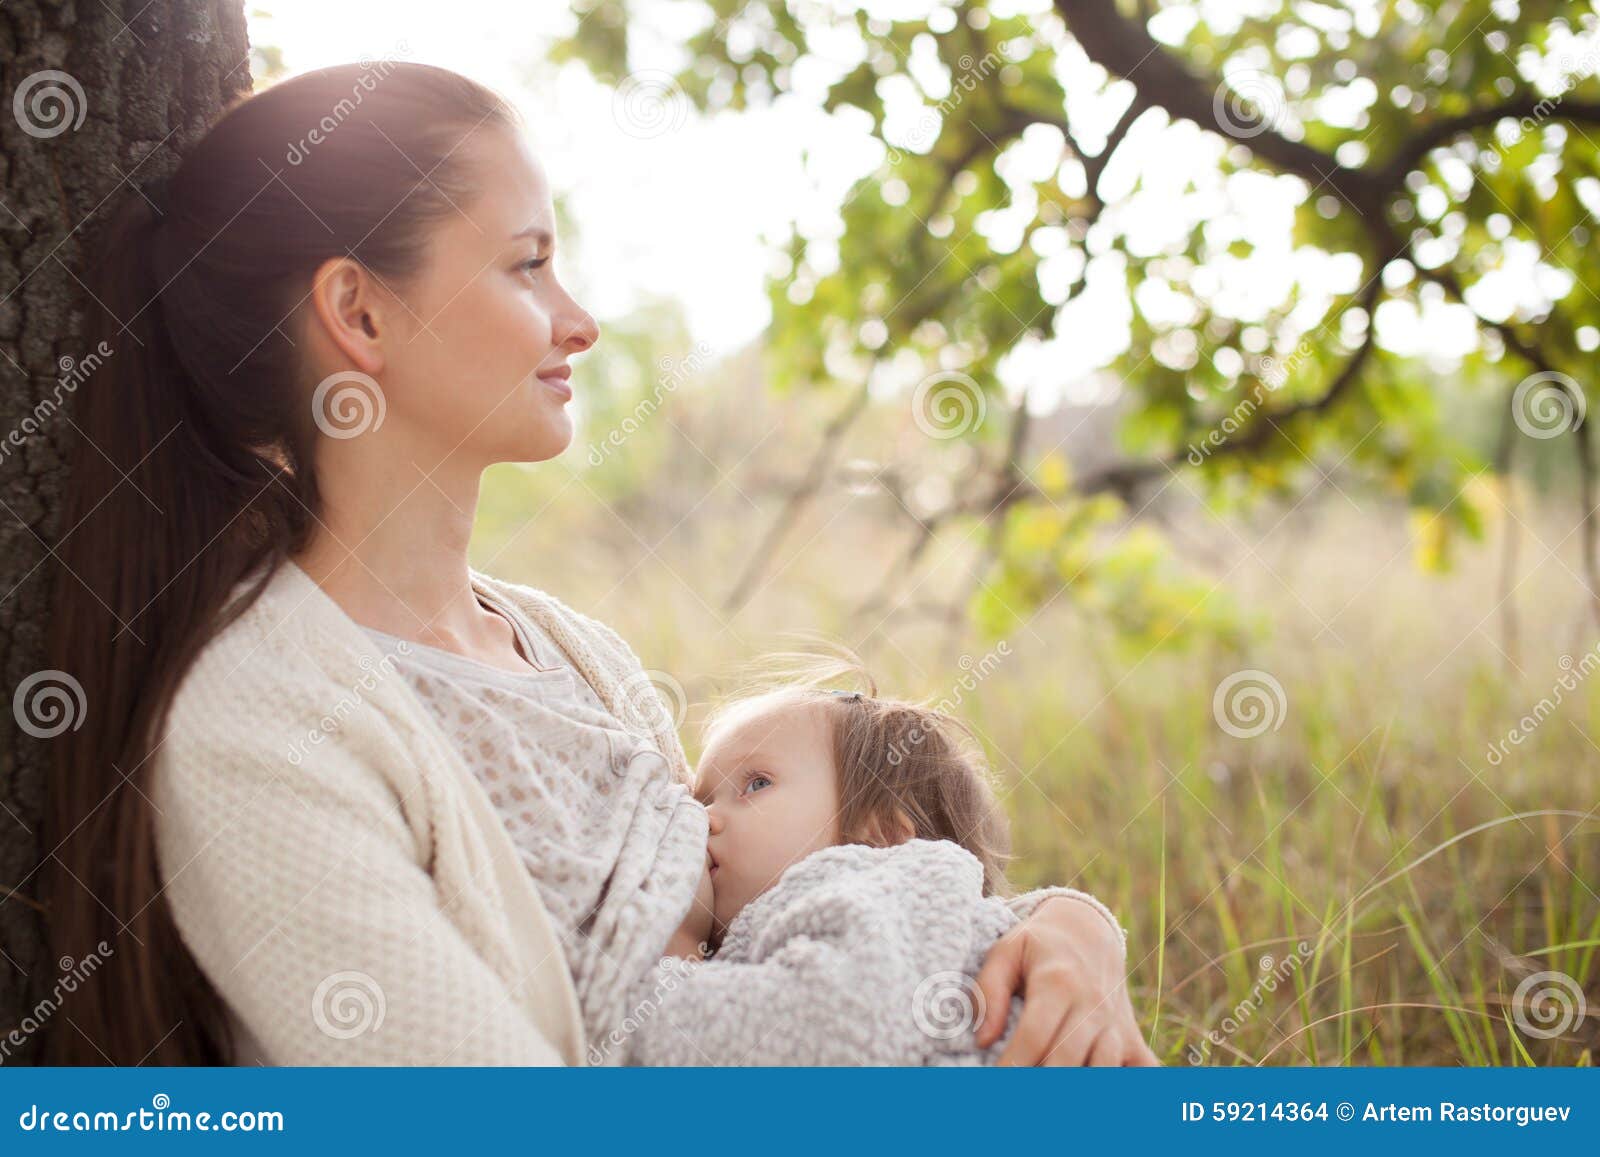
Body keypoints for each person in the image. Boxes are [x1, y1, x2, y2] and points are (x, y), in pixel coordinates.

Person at [39, 61, 1154, 1067]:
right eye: (527, 266)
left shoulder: (579, 653)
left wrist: (1065, 929)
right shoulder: (261, 723)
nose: (578, 323)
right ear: (359, 313)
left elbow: (777, 930)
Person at [605, 681, 1134, 1066]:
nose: (703, 819)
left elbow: (823, 1032)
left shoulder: (875, 883)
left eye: (756, 784)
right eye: (702, 799)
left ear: (881, 832)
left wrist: (667, 962)